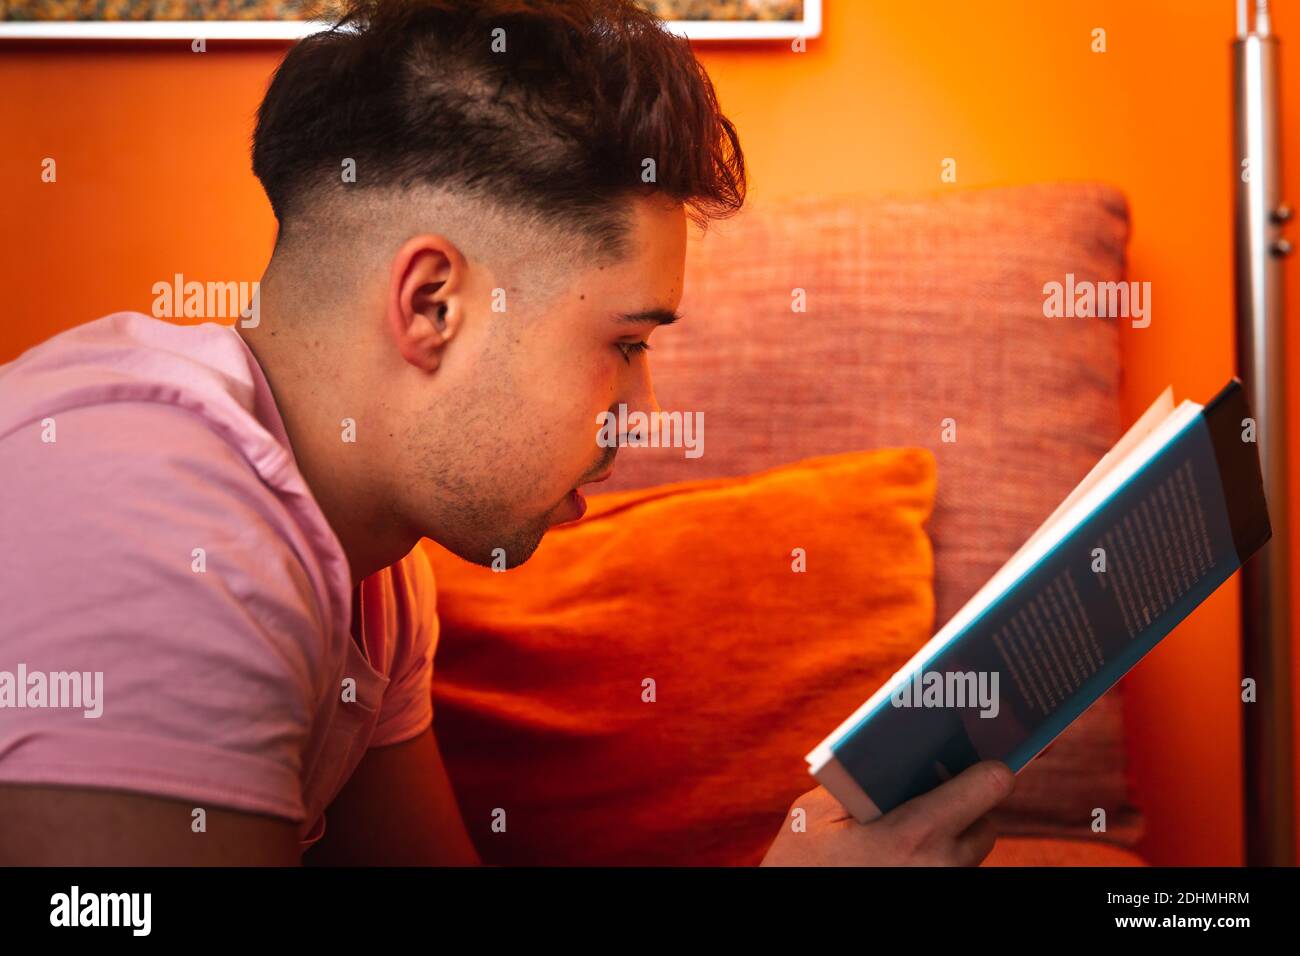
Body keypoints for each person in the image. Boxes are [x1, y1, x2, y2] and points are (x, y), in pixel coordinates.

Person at [0, 0, 1014, 866]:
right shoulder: (163, 535)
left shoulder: (373, 569)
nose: (643, 407)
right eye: (624, 340)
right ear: (433, 303)